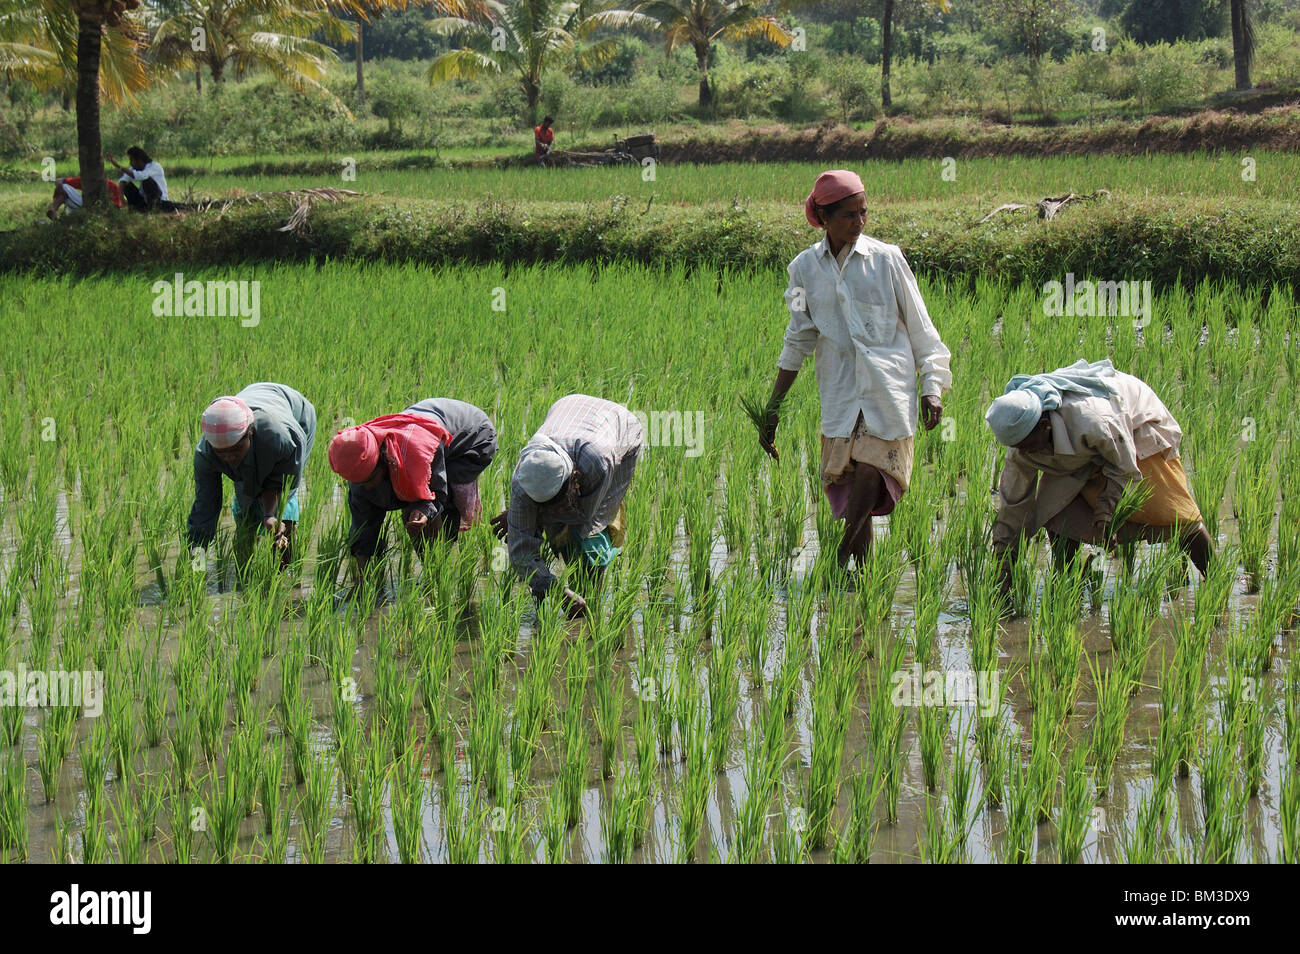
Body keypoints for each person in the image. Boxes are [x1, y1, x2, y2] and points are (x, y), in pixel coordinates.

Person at [760, 169, 952, 571]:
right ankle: (859, 585)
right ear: (823, 218)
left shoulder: (888, 260)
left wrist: (932, 385)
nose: (860, 222)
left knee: (870, 468)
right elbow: (798, 336)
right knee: (851, 494)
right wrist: (772, 407)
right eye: (849, 215)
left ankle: (838, 555)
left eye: (864, 212)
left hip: (887, 391)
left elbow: (922, 328)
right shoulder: (803, 271)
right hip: (840, 394)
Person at [985, 359, 1212, 595]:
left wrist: (1106, 511)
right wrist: (1003, 564)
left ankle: (1215, 577)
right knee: (1055, 510)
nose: (1028, 453)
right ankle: (1067, 583)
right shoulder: (1022, 445)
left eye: (1031, 446)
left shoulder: (1093, 420)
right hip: (1083, 447)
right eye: (1020, 448)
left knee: (1174, 515)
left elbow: (1125, 468)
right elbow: (1013, 503)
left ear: (1045, 425)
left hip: (1133, 427)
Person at [491, 394, 643, 619]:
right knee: (545, 533)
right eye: (538, 505)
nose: (549, 509)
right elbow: (520, 554)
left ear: (573, 479)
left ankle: (588, 605)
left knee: (589, 537)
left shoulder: (597, 464)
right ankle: (565, 596)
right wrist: (519, 517)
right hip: (567, 409)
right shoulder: (524, 480)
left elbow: (583, 519)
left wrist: (533, 518)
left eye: (554, 503)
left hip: (622, 431)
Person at [328, 398, 498, 578]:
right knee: (390, 504)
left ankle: (437, 576)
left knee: (427, 514)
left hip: (472, 438)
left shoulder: (417, 451)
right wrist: (363, 581)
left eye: (371, 478)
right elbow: (363, 528)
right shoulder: (358, 465)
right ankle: (434, 574)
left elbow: (437, 494)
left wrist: (424, 509)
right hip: (427, 434)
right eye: (361, 482)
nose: (367, 486)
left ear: (383, 460)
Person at [186, 383, 317, 570]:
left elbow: (281, 483)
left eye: (236, 449)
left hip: (296, 414)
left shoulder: (281, 438)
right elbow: (205, 506)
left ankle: (285, 571)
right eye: (222, 454)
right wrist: (196, 564)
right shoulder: (205, 454)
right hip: (257, 419)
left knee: (284, 511)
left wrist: (271, 514)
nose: (230, 457)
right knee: (246, 506)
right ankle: (246, 567)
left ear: (250, 433)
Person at [107, 146, 172, 211]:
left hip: (159, 201)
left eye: (131, 160)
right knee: (127, 185)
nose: (130, 163)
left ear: (139, 160)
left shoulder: (154, 166)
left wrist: (118, 166)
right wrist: (121, 198)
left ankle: (153, 208)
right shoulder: (135, 169)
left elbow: (141, 176)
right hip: (144, 200)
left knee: (147, 181)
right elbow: (123, 180)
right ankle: (137, 208)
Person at [47, 176, 123, 217]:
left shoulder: (112, 186)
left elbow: (116, 207)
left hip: (90, 209)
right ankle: (54, 213)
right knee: (63, 190)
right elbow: (62, 181)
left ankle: (53, 208)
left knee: (62, 187)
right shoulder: (86, 180)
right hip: (86, 207)